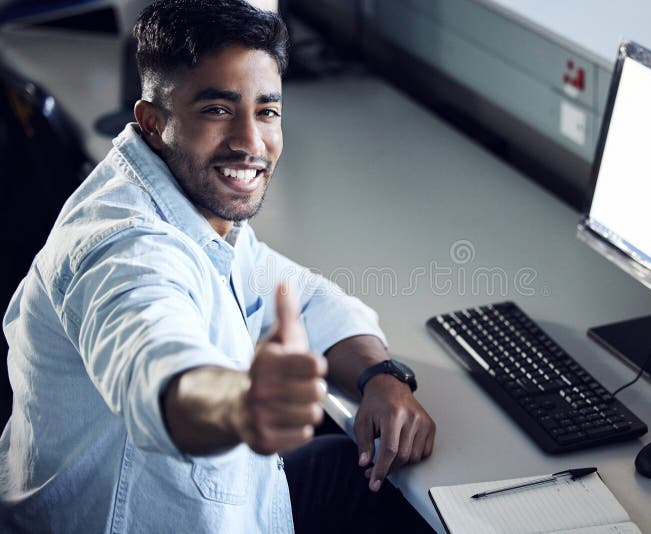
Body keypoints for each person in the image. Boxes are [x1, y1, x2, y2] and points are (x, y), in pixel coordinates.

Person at [0, 1, 436, 532]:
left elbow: (308, 299)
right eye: (217, 110)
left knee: (354, 472)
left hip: (212, 500)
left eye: (267, 111)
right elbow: (155, 373)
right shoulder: (126, 249)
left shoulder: (194, 210)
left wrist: (380, 375)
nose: (252, 143)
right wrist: (238, 405)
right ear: (153, 123)